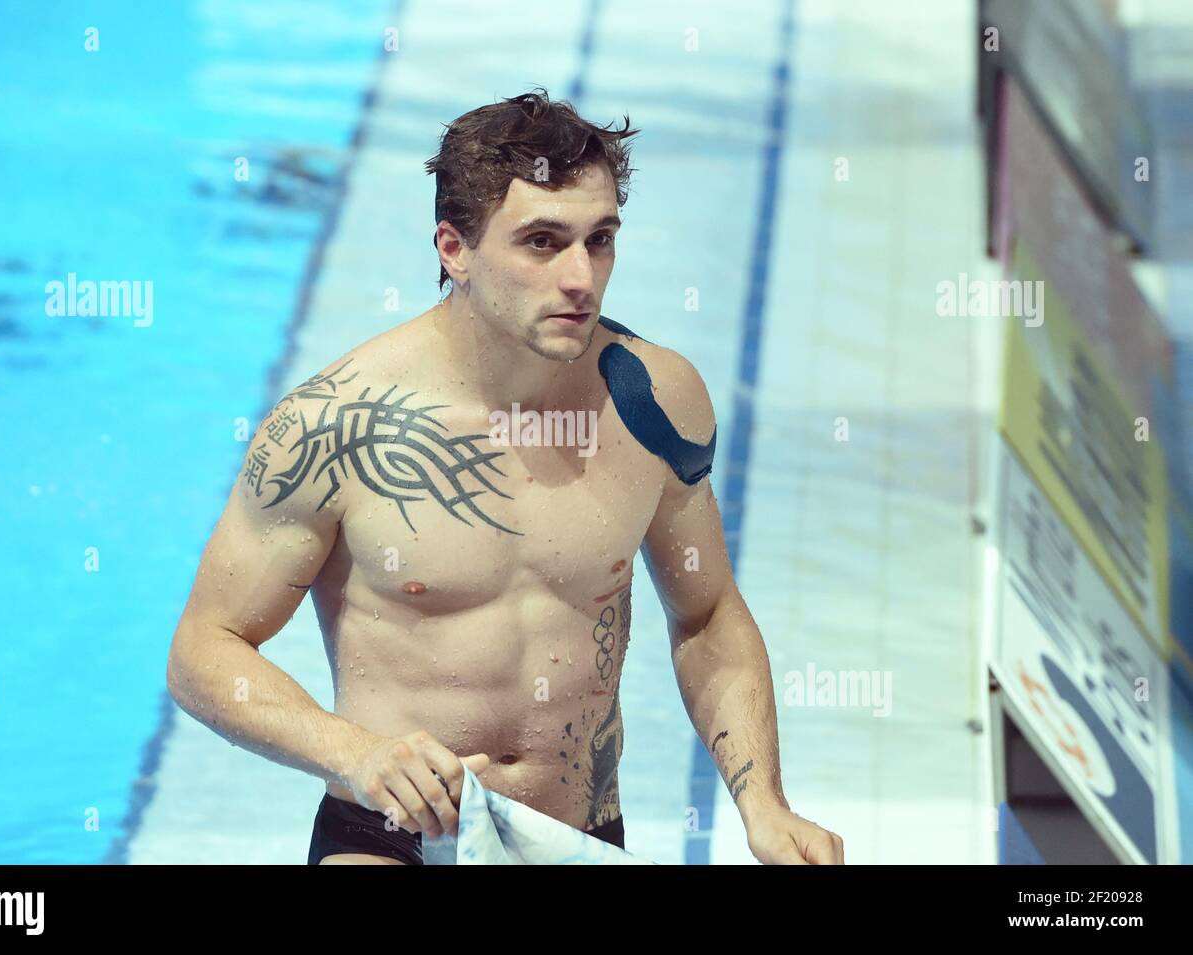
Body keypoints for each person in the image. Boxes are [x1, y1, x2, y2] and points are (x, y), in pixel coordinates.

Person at [166, 88, 844, 865]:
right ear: (453, 248)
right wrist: (354, 753)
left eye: (600, 240)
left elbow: (707, 614)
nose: (581, 277)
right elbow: (203, 649)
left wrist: (764, 805)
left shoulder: (653, 401)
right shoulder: (337, 425)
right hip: (388, 835)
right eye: (543, 242)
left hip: (574, 836)